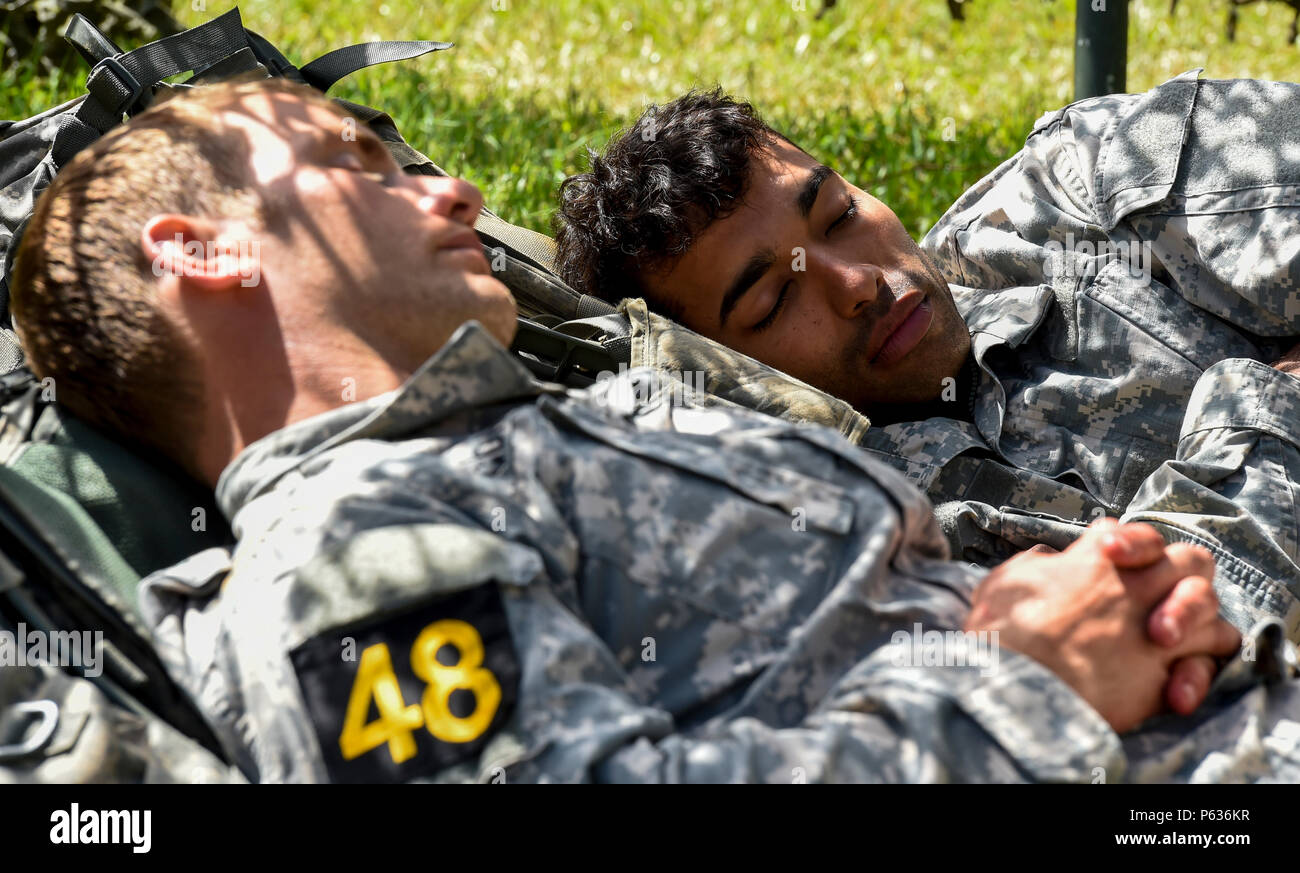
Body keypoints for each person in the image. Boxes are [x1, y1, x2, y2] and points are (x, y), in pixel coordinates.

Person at [12, 78, 1295, 783]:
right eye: (360, 164)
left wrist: (1109, 598)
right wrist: (1020, 679)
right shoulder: (350, 550)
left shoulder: (508, 442)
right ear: (202, 248)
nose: (449, 185)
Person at [553, 73, 1300, 636]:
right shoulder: (872, 558)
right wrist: (1269, 400)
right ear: (720, 373)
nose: (858, 282)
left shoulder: (1076, 192)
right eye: (774, 301)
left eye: (839, 214)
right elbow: (1194, 652)